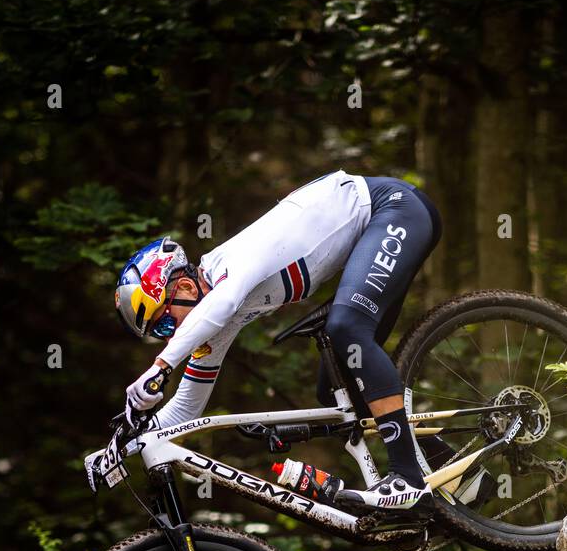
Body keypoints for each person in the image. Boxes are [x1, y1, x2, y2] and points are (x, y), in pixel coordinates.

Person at [115, 170, 443, 511]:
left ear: (183, 288)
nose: (170, 334)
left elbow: (220, 304)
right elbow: (186, 408)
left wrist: (161, 365)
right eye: (161, 334)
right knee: (336, 388)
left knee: (346, 329)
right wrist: (124, 442)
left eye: (166, 324)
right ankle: (458, 478)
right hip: (382, 227)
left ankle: (408, 479)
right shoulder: (219, 319)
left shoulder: (231, 265)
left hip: (394, 209)